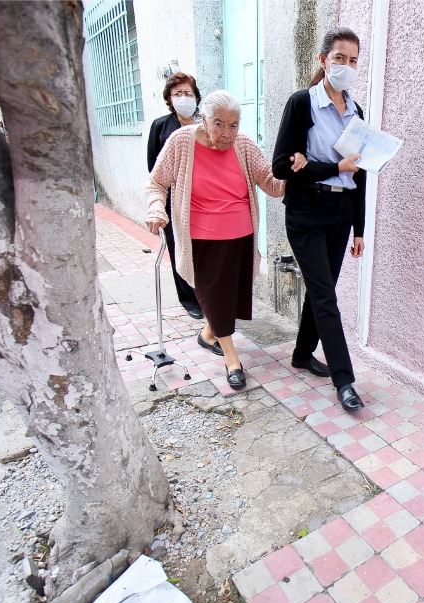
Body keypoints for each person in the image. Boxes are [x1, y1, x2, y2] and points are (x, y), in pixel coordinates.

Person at [146, 91, 306, 389]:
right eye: (219, 124)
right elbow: (156, 182)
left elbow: (271, 183)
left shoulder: (243, 144)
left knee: (228, 297)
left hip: (242, 236)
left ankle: (208, 335)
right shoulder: (181, 142)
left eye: (233, 125)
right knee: (214, 296)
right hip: (202, 238)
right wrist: (156, 209)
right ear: (203, 119)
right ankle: (232, 358)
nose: (227, 133)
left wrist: (292, 172)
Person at [272, 27, 367, 412]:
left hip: (341, 213)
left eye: (353, 59)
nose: (346, 66)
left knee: (320, 288)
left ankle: (300, 353)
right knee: (327, 296)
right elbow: (281, 166)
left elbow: (359, 176)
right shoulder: (302, 104)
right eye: (339, 57)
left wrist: (359, 228)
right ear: (323, 59)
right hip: (306, 212)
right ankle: (345, 380)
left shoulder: (357, 113)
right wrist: (332, 166)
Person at [147, 73, 206, 325]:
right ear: (170, 99)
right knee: (179, 248)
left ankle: (205, 295)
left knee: (202, 250)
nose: (183, 98)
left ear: (196, 97)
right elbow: (154, 168)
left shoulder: (204, 125)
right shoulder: (161, 126)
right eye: (178, 93)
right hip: (174, 200)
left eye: (188, 93)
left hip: (202, 198)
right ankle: (189, 300)